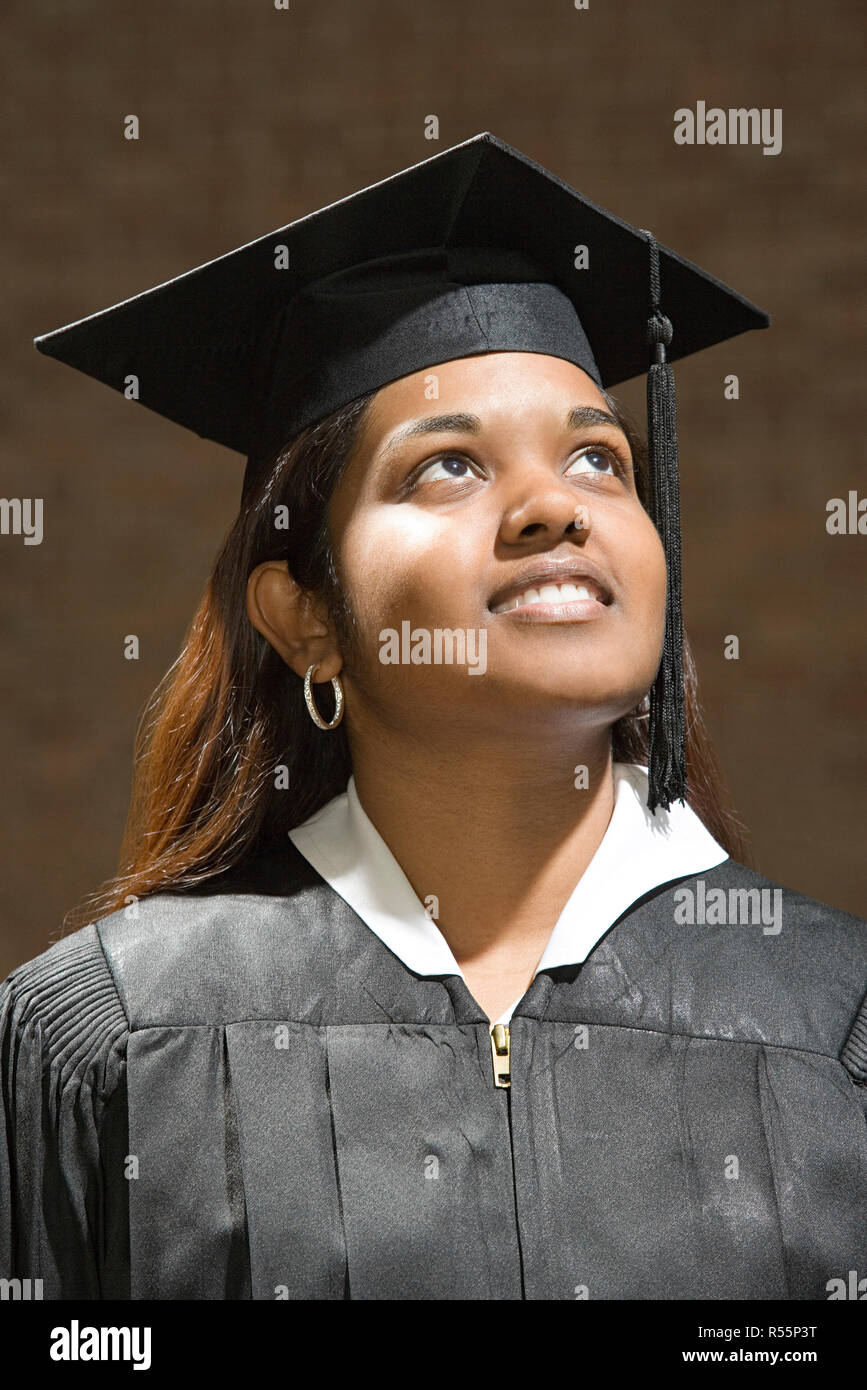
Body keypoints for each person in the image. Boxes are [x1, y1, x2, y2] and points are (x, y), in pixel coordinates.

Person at [2, 133, 865, 1300]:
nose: (554, 506)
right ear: (303, 613)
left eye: (600, 460)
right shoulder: (114, 1038)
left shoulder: (836, 1021)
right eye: (448, 467)